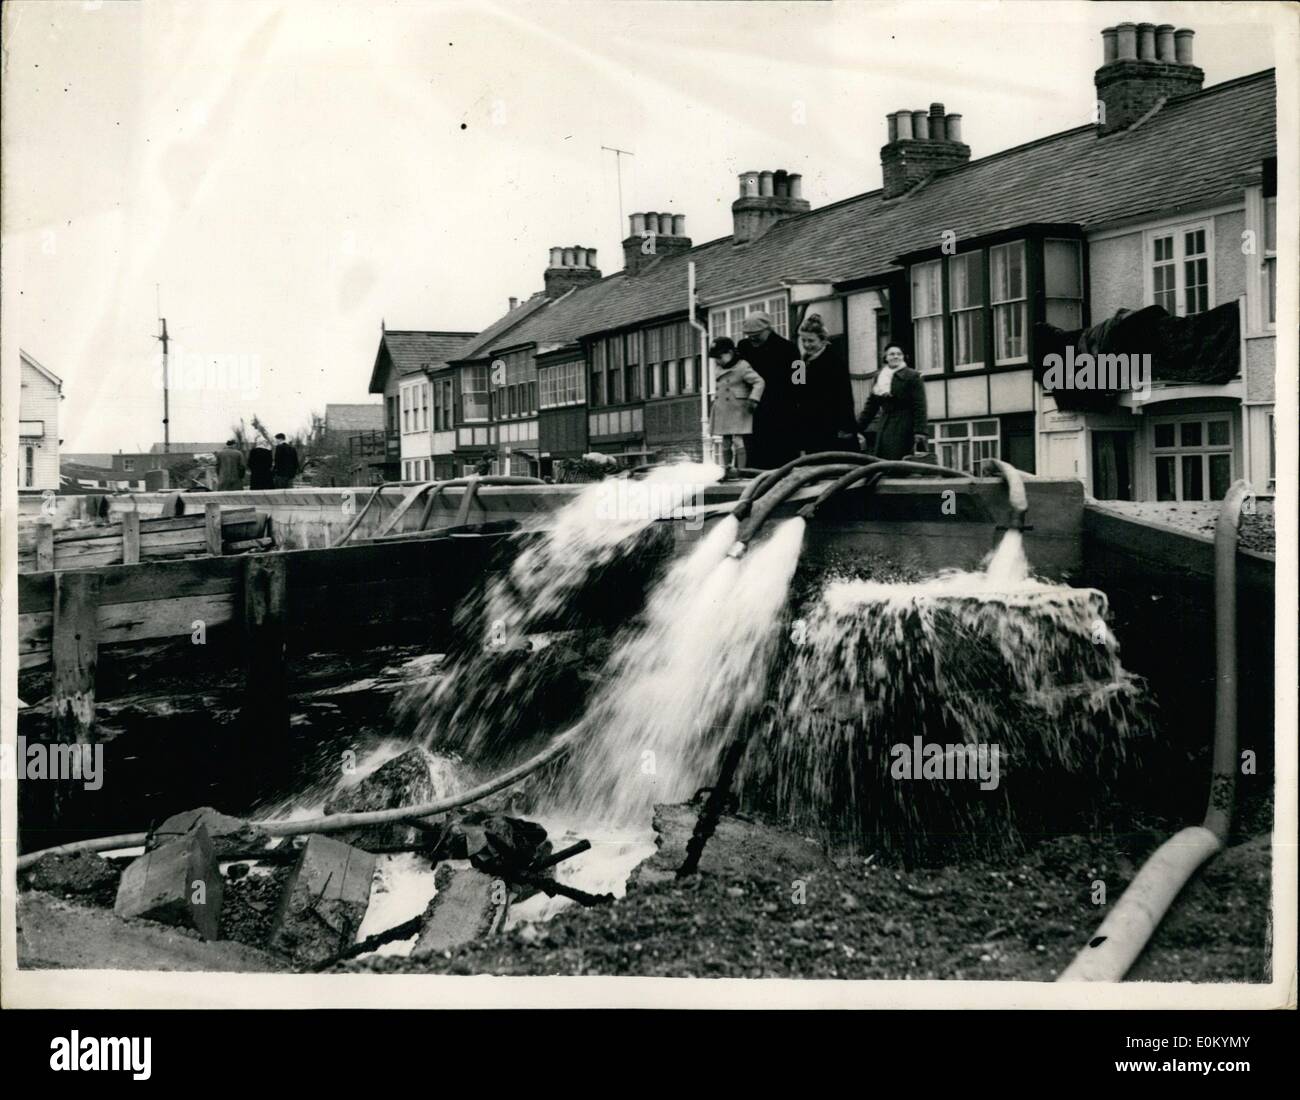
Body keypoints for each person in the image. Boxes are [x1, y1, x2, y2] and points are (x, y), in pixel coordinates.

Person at [735, 311, 800, 469]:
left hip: (781, 416)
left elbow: (800, 380)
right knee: (754, 461)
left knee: (781, 462)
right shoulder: (743, 348)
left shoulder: (790, 349)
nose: (752, 339)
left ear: (768, 329)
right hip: (752, 414)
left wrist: (797, 406)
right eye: (749, 335)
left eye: (756, 335)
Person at [791, 313, 858, 456]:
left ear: (822, 340)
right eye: (803, 340)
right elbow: (795, 393)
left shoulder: (835, 362)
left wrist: (846, 427)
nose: (806, 345)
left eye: (811, 341)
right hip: (809, 426)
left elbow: (844, 397)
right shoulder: (799, 363)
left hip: (831, 426)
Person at [857, 344, 928, 460]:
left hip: (905, 425)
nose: (896, 357)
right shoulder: (880, 377)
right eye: (892, 354)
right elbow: (871, 406)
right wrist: (857, 428)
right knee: (883, 459)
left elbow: (920, 405)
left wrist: (920, 431)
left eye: (899, 354)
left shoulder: (913, 376)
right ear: (886, 357)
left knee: (900, 461)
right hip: (885, 424)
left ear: (903, 357)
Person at [708, 336, 765, 470]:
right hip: (723, 408)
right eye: (715, 358)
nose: (717, 360)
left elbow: (759, 382)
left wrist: (754, 399)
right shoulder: (719, 368)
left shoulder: (742, 367)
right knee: (725, 442)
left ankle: (741, 470)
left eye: (720, 356)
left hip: (738, 409)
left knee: (738, 441)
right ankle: (727, 468)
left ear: (730, 353)